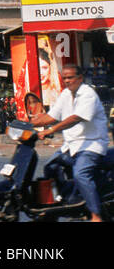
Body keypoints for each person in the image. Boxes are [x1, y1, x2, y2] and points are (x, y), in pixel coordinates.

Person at [30, 65, 109, 222]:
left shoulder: (88, 95)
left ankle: (96, 215)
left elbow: (75, 118)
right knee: (50, 168)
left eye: (70, 77)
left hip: (91, 145)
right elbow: (52, 116)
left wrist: (50, 130)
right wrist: (29, 123)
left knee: (81, 174)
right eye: (65, 78)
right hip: (71, 145)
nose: (67, 81)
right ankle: (61, 204)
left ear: (80, 78)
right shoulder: (65, 94)